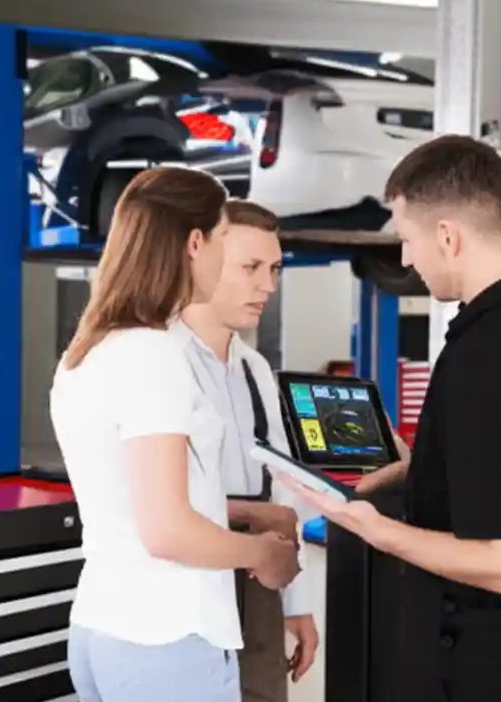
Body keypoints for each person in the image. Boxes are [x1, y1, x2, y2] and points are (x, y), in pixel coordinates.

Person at [283, 135, 501, 702]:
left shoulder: (496, 354)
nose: (405, 259)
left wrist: (380, 530)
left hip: (485, 671)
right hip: (496, 655)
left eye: (406, 239)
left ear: (447, 235)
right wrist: (417, 467)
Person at [50, 168, 300, 702]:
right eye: (221, 240)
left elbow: (134, 498)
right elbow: (166, 531)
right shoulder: (154, 354)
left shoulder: (89, 351)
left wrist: (251, 513)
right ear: (195, 243)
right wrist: (262, 554)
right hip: (168, 636)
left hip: (104, 626)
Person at [168, 200, 319, 702]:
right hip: (185, 576)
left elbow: (282, 495)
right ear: (201, 258)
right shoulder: (157, 359)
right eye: (251, 268)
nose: (268, 285)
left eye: (274, 269)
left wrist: (294, 601)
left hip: (258, 582)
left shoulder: (255, 370)